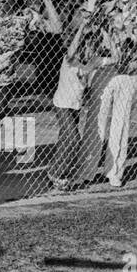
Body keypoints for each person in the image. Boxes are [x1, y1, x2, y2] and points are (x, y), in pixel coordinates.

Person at [77, 0, 137, 187]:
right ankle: (87, 170)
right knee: (97, 120)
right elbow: (89, 33)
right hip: (106, 69)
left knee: (121, 123)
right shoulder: (105, 8)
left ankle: (114, 171)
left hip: (131, 74)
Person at [47, 16, 102, 189]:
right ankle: (55, 173)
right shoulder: (69, 60)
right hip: (62, 104)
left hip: (75, 106)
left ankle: (59, 171)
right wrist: (82, 28)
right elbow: (72, 50)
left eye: (92, 47)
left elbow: (115, 58)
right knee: (73, 138)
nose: (88, 49)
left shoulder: (90, 64)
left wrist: (107, 30)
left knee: (65, 139)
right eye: (86, 45)